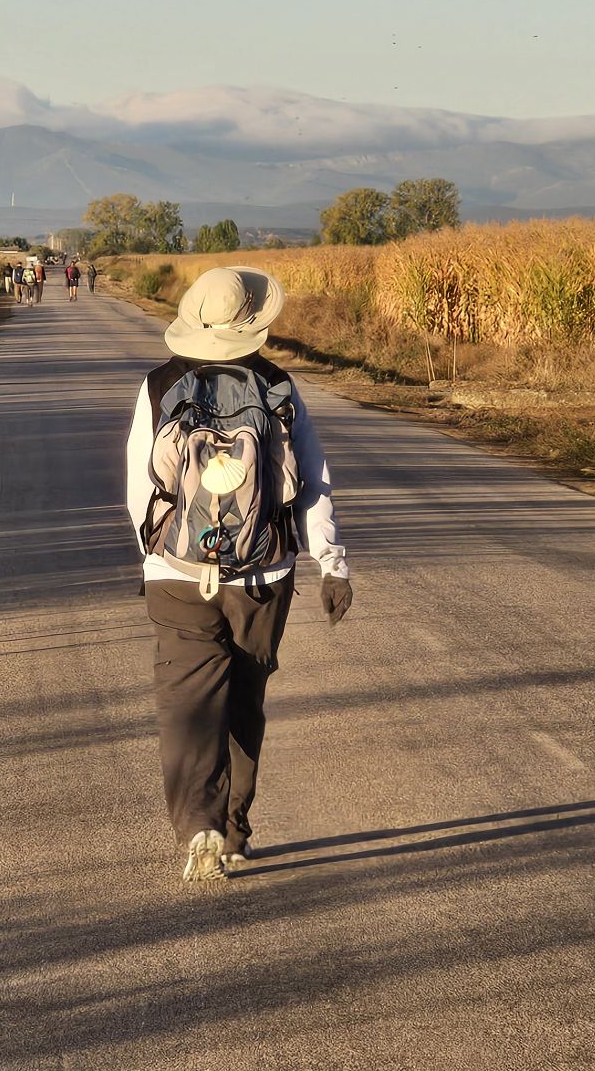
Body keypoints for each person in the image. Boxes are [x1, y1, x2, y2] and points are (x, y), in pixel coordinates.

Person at [124, 266, 352, 882]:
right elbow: (313, 484)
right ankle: (233, 830)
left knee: (186, 705)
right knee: (245, 700)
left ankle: (198, 824)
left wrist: (158, 558)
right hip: (263, 574)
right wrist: (331, 564)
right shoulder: (277, 385)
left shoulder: (159, 384)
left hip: (176, 574)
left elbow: (140, 488)